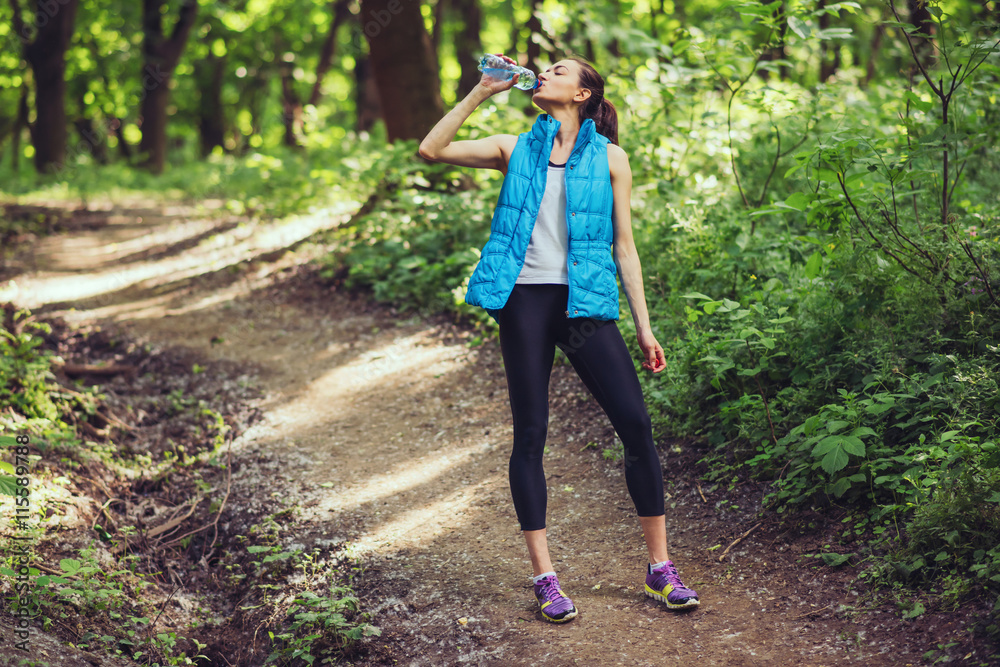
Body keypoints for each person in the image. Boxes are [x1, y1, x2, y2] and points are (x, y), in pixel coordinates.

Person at [418, 54, 698, 624]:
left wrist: (644, 327)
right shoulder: (513, 148)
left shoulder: (611, 158)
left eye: (559, 71)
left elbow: (625, 247)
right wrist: (481, 91)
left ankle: (660, 569)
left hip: (584, 303)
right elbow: (432, 149)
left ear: (582, 94)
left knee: (636, 425)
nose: (544, 74)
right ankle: (545, 579)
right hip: (523, 301)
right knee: (531, 434)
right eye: (544, 69)